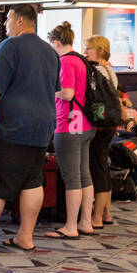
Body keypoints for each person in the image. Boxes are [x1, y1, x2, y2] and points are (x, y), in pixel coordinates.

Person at [0, 3, 60, 252]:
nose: (6, 24)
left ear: (20, 21)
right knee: (33, 180)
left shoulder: (9, 47)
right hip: (42, 126)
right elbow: (54, 88)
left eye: (8, 19)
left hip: (12, 124)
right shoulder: (50, 51)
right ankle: (25, 236)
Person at [46, 21, 95, 239]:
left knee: (72, 178)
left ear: (56, 43)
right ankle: (86, 222)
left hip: (69, 125)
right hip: (86, 124)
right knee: (85, 176)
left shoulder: (65, 62)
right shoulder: (81, 60)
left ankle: (71, 226)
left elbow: (66, 93)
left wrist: (47, 89)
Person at [84, 35, 119, 228]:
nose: (85, 52)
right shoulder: (110, 69)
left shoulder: (96, 70)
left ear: (99, 49)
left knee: (97, 168)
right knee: (103, 166)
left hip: (99, 124)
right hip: (110, 123)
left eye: (89, 48)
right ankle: (106, 212)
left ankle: (96, 217)